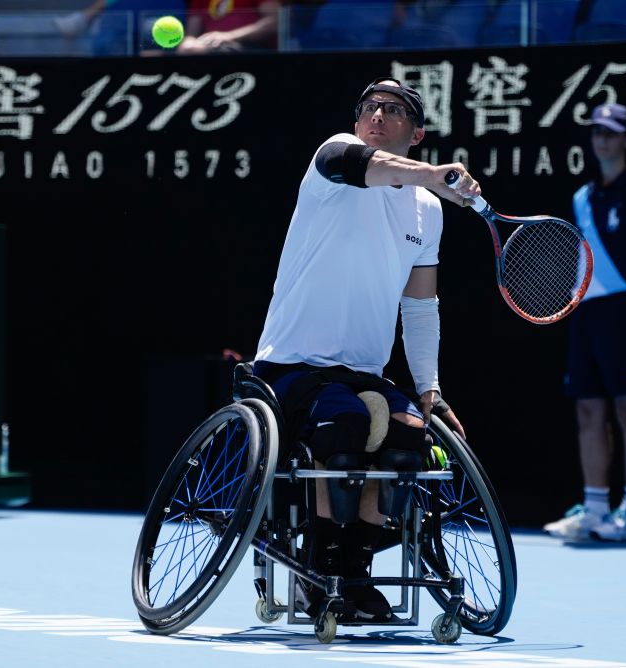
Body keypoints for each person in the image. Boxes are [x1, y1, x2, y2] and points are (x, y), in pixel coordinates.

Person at [251, 78, 478, 622]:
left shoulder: (428, 211)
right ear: (358, 123)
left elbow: (420, 307)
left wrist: (429, 387)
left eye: (394, 109)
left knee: (408, 434)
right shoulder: (334, 157)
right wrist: (432, 174)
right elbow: (357, 164)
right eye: (370, 107)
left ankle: (355, 571)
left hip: (363, 373)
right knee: (347, 424)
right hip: (290, 363)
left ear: (416, 133)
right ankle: (320, 567)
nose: (378, 114)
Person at [543, 102, 626, 543]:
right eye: (597, 132)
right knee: (588, 410)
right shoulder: (582, 197)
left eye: (611, 132)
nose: (602, 140)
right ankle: (596, 508)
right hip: (586, 312)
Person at [176, 0, 280, 53]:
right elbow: (192, 32)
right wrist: (188, 42)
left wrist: (229, 35)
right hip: (208, 46)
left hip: (250, 48)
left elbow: (275, 21)